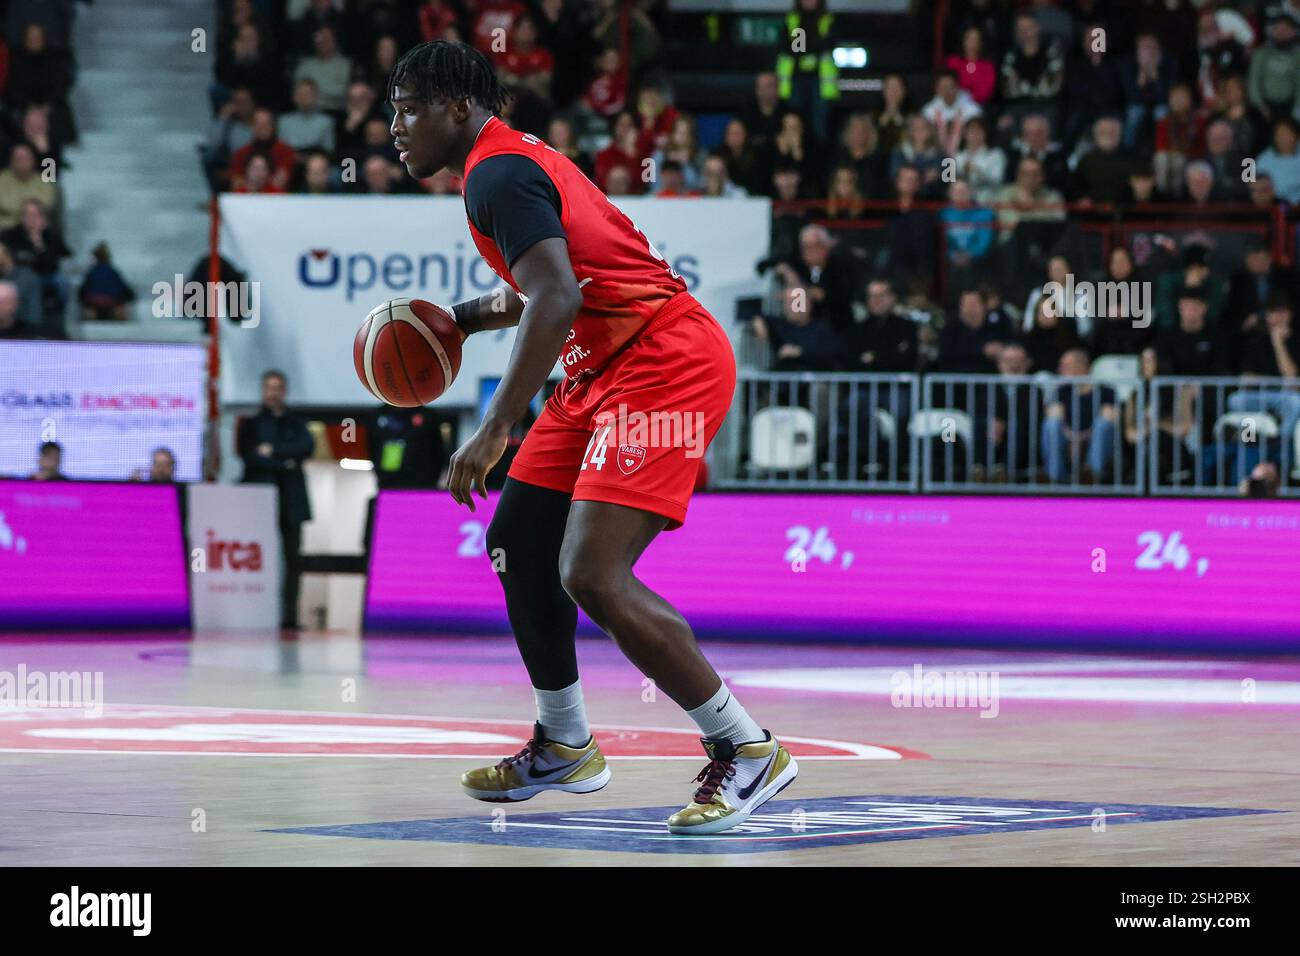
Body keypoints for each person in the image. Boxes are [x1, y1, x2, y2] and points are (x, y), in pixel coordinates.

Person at [387, 40, 796, 834]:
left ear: (458, 109)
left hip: (661, 361)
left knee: (591, 573)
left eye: (408, 110)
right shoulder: (505, 166)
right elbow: (549, 282)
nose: (394, 128)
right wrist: (465, 319)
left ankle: (746, 747)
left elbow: (558, 296)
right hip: (599, 372)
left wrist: (499, 422)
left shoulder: (495, 176)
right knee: (516, 542)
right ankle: (565, 741)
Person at [237, 370, 314, 630]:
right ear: (262, 391)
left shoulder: (296, 423)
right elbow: (250, 457)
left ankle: (289, 616)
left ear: (284, 391)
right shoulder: (251, 424)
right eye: (268, 388)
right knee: (257, 558)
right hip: (260, 502)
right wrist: (287, 462)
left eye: (277, 387)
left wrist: (272, 452)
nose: (273, 392)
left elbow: (306, 447)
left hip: (292, 502)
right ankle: (256, 613)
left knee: (294, 560)